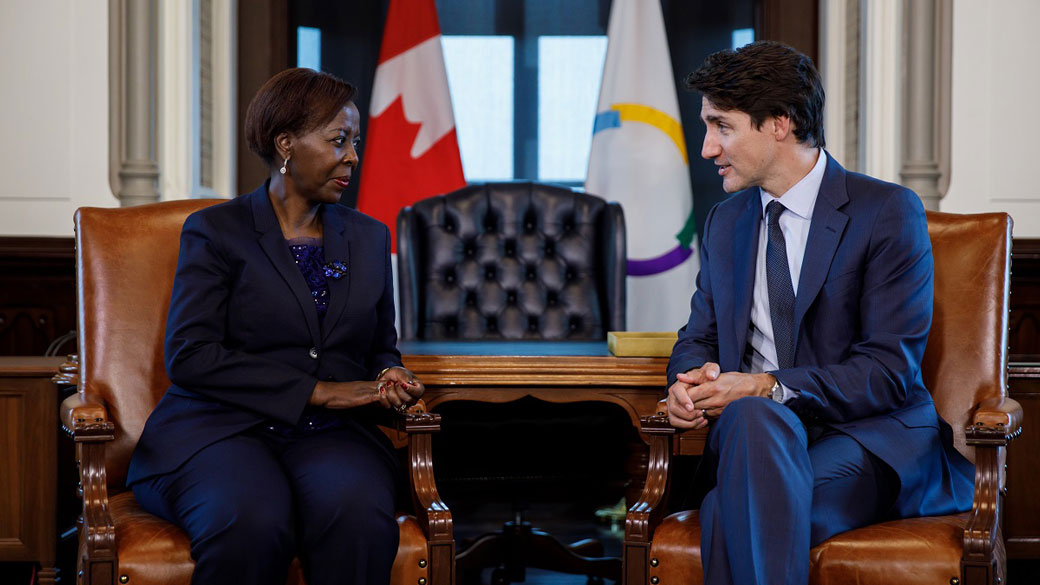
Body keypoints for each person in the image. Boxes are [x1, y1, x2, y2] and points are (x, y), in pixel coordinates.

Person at [665, 41, 974, 585]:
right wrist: (689, 382)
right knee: (752, 425)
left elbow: (887, 371)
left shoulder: (886, 212)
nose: (708, 147)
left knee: (730, 509)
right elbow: (699, 336)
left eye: (722, 126)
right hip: (752, 438)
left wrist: (767, 385)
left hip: (866, 438)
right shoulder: (725, 222)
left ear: (778, 123)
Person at [126, 68, 424, 585]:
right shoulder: (216, 231)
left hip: (331, 437)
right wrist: (319, 391)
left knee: (356, 516)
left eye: (355, 142)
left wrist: (388, 375)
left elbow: (380, 347)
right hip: (220, 430)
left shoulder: (370, 238)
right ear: (286, 144)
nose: (353, 157)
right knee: (250, 522)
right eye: (338, 140)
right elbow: (190, 354)